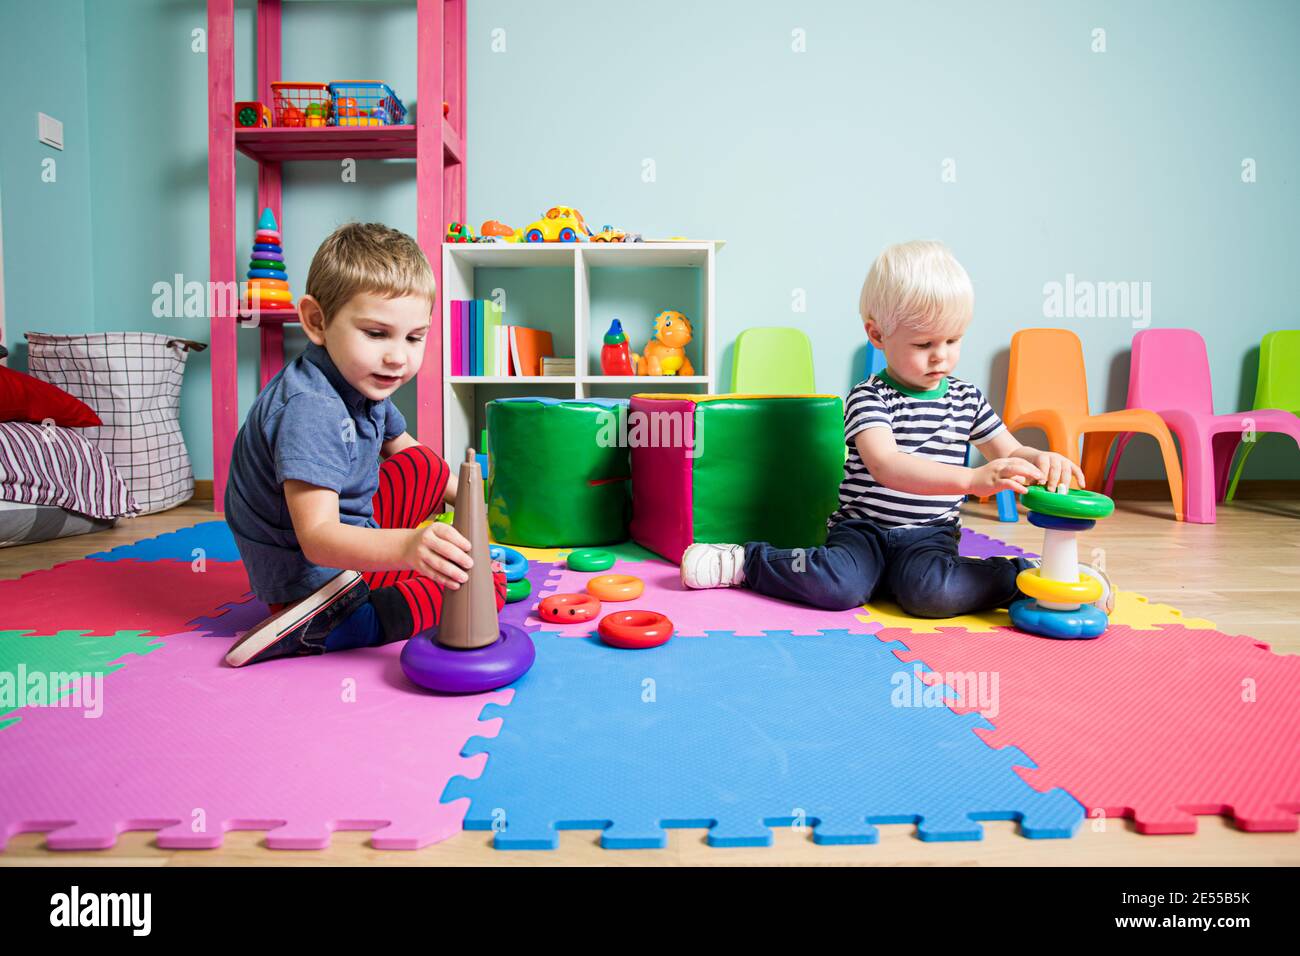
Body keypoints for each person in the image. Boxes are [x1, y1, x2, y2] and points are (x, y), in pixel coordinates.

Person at [680, 239, 1114, 619]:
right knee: (839, 588)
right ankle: (745, 562)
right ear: (877, 334)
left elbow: (1007, 449)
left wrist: (1038, 458)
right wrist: (972, 479)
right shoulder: (869, 396)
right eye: (924, 344)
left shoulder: (966, 397)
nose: (940, 357)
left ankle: (1036, 576)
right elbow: (886, 465)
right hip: (862, 530)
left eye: (953, 340)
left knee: (932, 595)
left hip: (929, 536)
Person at [223, 221, 505, 667]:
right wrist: (410, 548)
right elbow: (317, 539)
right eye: (376, 334)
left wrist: (487, 506)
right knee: (485, 588)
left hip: (352, 539)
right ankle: (338, 625)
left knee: (423, 465)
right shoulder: (311, 408)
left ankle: (366, 592)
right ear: (317, 321)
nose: (398, 357)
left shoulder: (355, 382)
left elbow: (416, 460)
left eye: (414, 337)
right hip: (310, 577)